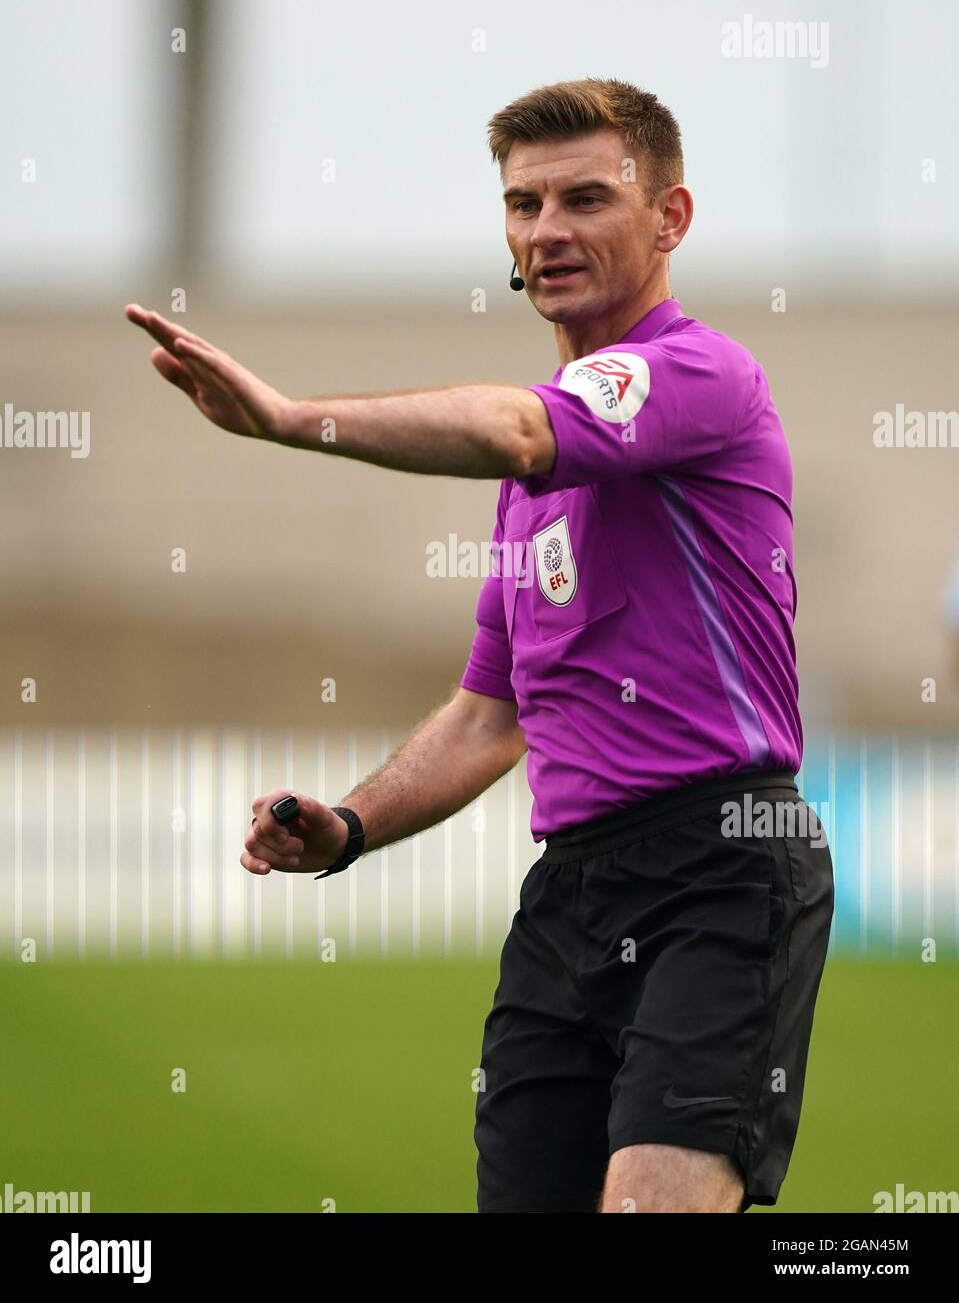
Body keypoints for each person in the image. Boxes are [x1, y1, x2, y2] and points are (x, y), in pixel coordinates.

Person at [125, 76, 834, 1213]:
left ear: (669, 218)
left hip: (719, 866)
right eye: (522, 204)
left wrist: (290, 416)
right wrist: (350, 824)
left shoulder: (702, 374)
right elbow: (489, 715)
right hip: (568, 895)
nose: (546, 230)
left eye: (586, 199)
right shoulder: (527, 493)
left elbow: (514, 423)